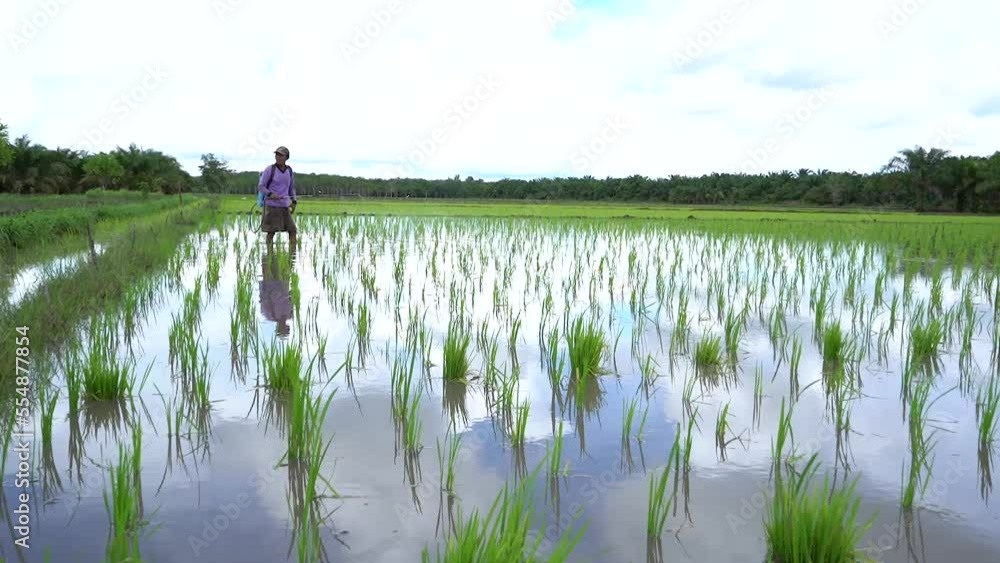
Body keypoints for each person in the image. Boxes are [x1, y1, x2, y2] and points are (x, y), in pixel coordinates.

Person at [258, 146, 298, 248]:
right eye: (277, 154)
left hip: (284, 205)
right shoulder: (270, 170)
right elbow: (261, 186)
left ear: (286, 157)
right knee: (271, 232)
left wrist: (294, 201)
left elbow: (291, 187)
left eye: (281, 155)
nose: (278, 157)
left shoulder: (289, 170)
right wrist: (271, 194)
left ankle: (292, 255)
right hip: (272, 205)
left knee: (292, 230)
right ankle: (269, 256)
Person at [260, 247, 294, 337]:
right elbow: (291, 297)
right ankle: (269, 245)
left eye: (283, 328)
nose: (283, 325)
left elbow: (263, 299)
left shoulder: (270, 315)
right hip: (276, 282)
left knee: (271, 259)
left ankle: (270, 247)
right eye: (285, 327)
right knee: (272, 258)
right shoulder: (289, 314)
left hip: (274, 282)